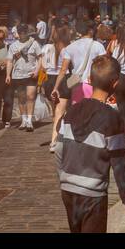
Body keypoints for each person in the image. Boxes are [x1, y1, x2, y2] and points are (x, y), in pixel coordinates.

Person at [54, 54, 125, 232]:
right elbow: (119, 163)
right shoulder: (112, 118)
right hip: (93, 194)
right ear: (115, 83)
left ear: (90, 80)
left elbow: (59, 149)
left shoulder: (71, 112)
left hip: (68, 190)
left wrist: (64, 178)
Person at [49, 21, 105, 152]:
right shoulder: (98, 46)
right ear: (90, 31)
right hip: (93, 84)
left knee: (77, 113)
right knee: (94, 113)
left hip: (77, 85)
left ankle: (76, 139)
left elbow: (63, 70)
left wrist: (56, 87)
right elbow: (104, 65)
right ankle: (92, 141)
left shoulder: (70, 48)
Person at [7, 23, 41, 132]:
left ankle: (30, 121)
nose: (22, 34)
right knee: (21, 98)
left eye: (24, 32)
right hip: (18, 75)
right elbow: (9, 61)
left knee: (30, 96)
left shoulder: (34, 43)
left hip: (31, 74)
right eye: (20, 32)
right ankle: (24, 120)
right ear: (18, 32)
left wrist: (37, 71)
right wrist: (8, 75)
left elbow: (40, 58)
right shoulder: (13, 46)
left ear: (27, 32)